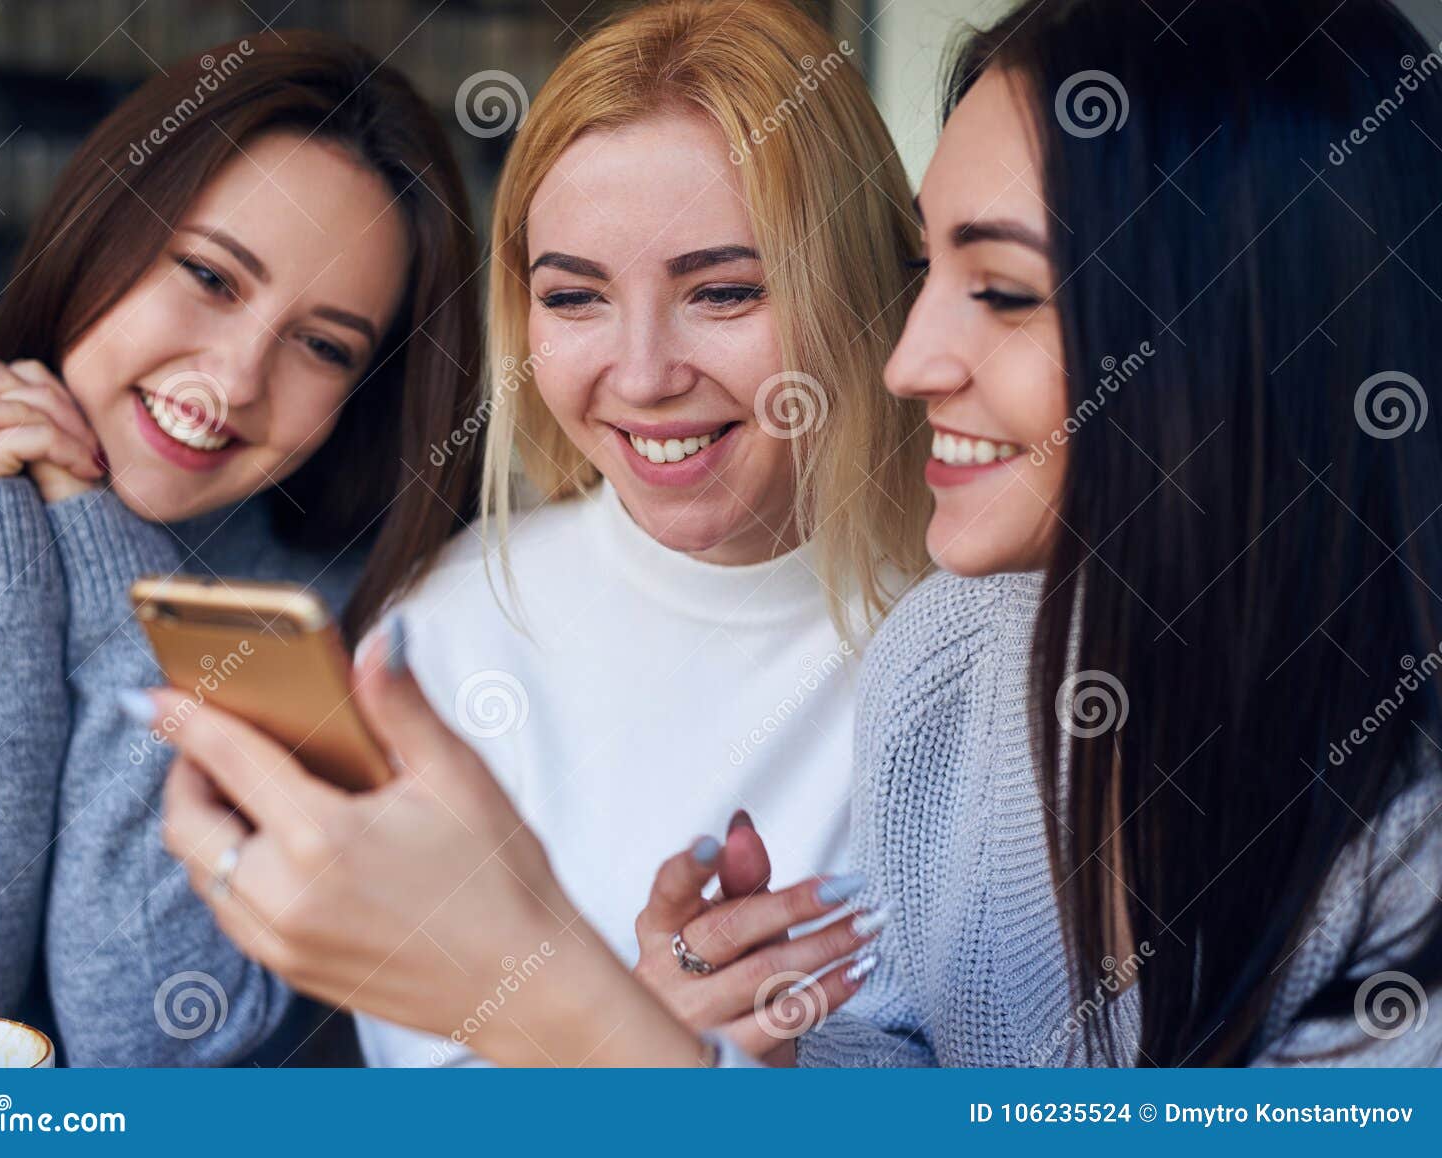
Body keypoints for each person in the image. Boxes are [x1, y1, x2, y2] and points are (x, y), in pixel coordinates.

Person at [161, 0, 1441, 1066]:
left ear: (1243, 328)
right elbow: (929, 1076)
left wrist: (567, 1003)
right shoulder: (961, 659)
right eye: (573, 296)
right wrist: (728, 1039)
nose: (911, 355)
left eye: (997, 290)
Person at [0, 31, 482, 1067]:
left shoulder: (336, 628)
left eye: (323, 345)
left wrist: (108, 569)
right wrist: (4, 583)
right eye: (211, 277)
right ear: (101, 231)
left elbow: (150, 1053)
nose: (235, 380)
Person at [344, 0, 928, 1065]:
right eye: (575, 297)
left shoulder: (1003, 641)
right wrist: (629, 1044)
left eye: (724, 290)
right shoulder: (449, 629)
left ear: (861, 283)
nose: (645, 375)